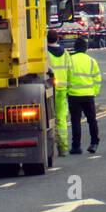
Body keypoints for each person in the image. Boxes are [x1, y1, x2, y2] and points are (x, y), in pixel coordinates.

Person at [66, 37, 102, 154]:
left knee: (76, 121)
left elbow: (66, 77)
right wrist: (94, 92)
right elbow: (97, 79)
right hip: (88, 95)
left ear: (75, 48)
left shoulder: (70, 60)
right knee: (92, 120)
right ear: (86, 48)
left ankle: (76, 146)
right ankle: (94, 143)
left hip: (74, 95)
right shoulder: (92, 61)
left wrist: (67, 90)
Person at [46, 29, 71, 157]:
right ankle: (63, 148)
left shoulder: (45, 53)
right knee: (61, 119)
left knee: (49, 120)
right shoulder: (65, 53)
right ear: (57, 39)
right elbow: (70, 71)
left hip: (50, 90)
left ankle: (49, 149)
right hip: (62, 89)